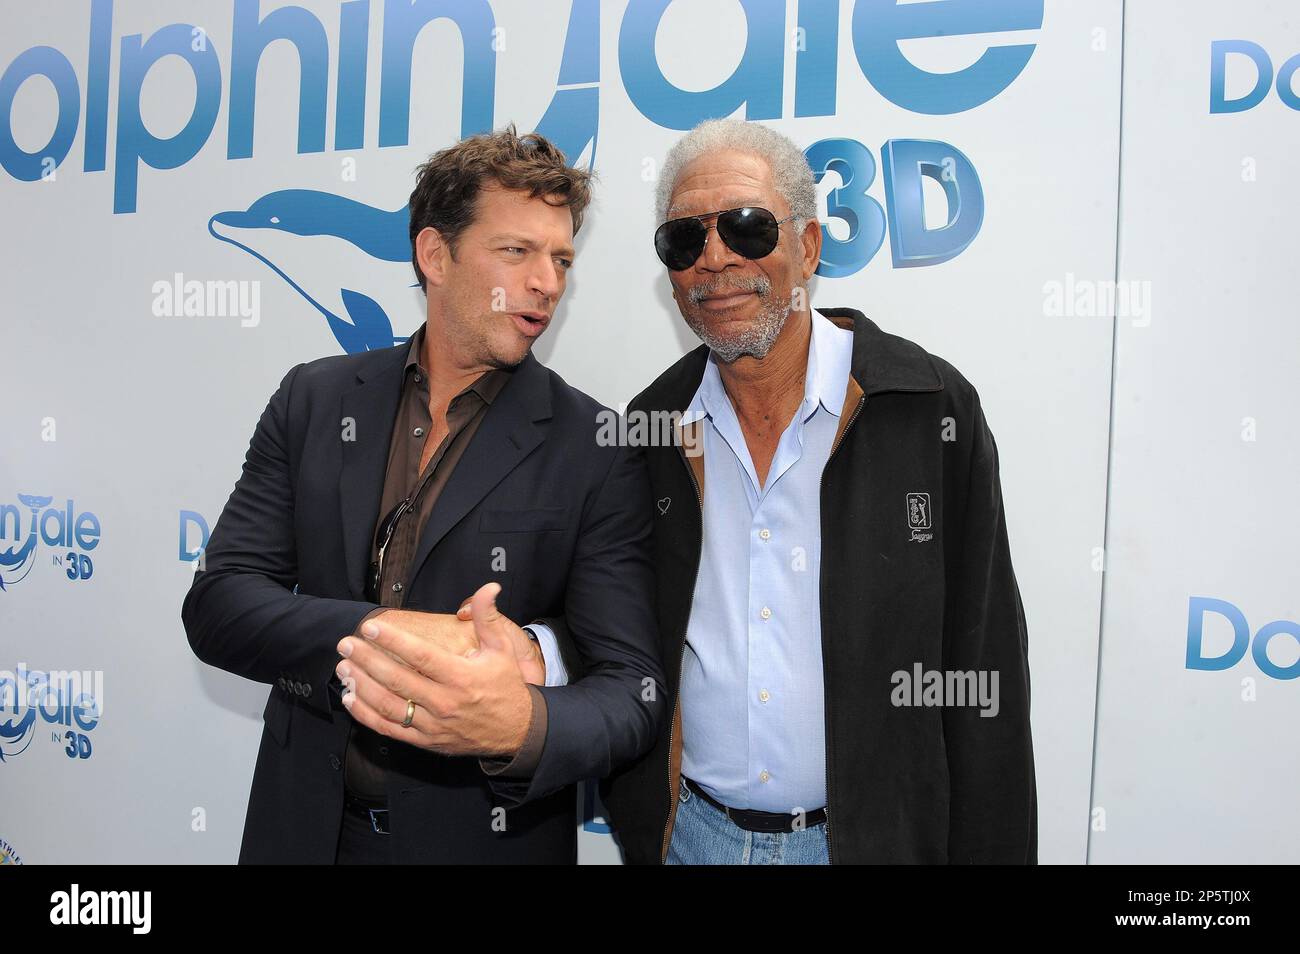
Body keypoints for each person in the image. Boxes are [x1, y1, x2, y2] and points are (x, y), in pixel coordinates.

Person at [182, 126, 664, 864]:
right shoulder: (314, 399)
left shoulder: (596, 445)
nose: (548, 282)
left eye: (562, 258)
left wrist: (517, 725)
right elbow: (219, 606)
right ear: (434, 255)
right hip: (302, 833)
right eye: (517, 252)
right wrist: (389, 633)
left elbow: (630, 691)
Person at [596, 118, 1037, 864]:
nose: (714, 260)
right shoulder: (648, 431)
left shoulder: (928, 408)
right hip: (691, 841)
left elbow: (980, 664)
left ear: (807, 246)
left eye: (745, 226)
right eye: (683, 239)